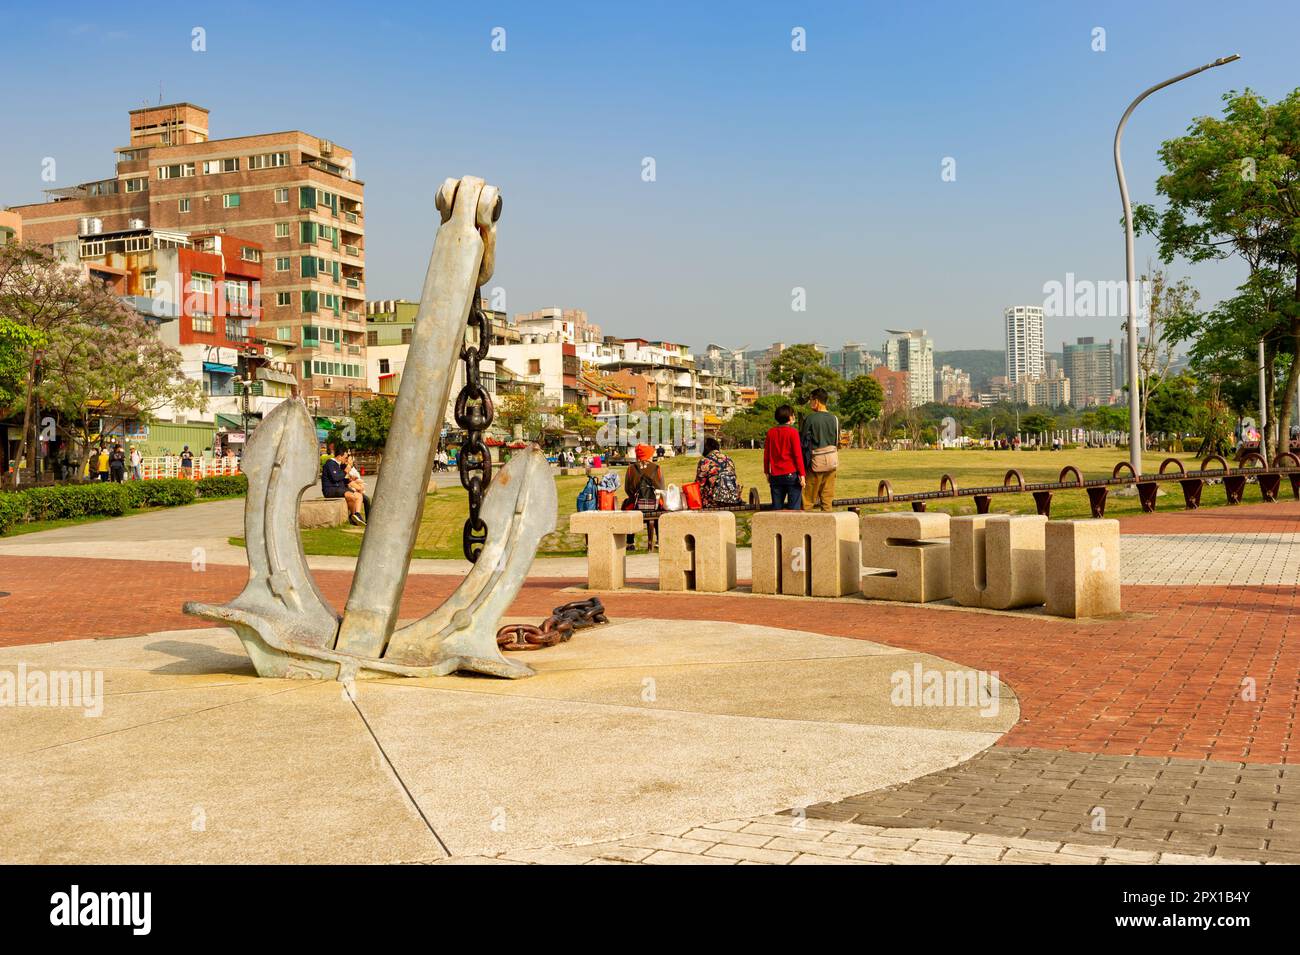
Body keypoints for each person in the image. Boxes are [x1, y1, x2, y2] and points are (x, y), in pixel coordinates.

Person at [800, 388, 840, 511]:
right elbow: (836, 441)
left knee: (808, 502)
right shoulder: (834, 419)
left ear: (816, 401)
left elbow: (802, 441)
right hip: (832, 463)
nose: (810, 403)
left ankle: (807, 523)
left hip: (815, 464)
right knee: (827, 502)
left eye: (811, 400)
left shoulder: (810, 419)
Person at [623, 444, 665, 550]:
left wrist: (635, 497)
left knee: (626, 505)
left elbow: (627, 489)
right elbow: (661, 487)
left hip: (635, 505)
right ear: (649, 455)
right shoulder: (657, 468)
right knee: (660, 506)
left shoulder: (630, 469)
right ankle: (659, 540)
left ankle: (630, 542)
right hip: (654, 506)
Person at [763, 404, 804, 510]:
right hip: (791, 473)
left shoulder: (771, 432)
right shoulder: (793, 432)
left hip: (775, 474)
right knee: (794, 508)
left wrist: (766, 471)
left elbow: (766, 455)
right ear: (790, 417)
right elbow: (797, 455)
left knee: (777, 508)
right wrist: (802, 474)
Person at [322, 449, 366, 526]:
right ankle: (353, 516)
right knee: (351, 496)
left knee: (359, 496)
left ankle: (357, 515)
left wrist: (350, 479)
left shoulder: (339, 465)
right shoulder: (330, 464)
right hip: (330, 489)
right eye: (345, 457)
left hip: (339, 488)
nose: (346, 459)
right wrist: (345, 471)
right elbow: (335, 478)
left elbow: (341, 479)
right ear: (339, 457)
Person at [695, 437, 741, 507]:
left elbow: (699, 483)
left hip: (714, 501)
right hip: (733, 499)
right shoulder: (728, 459)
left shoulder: (705, 461)